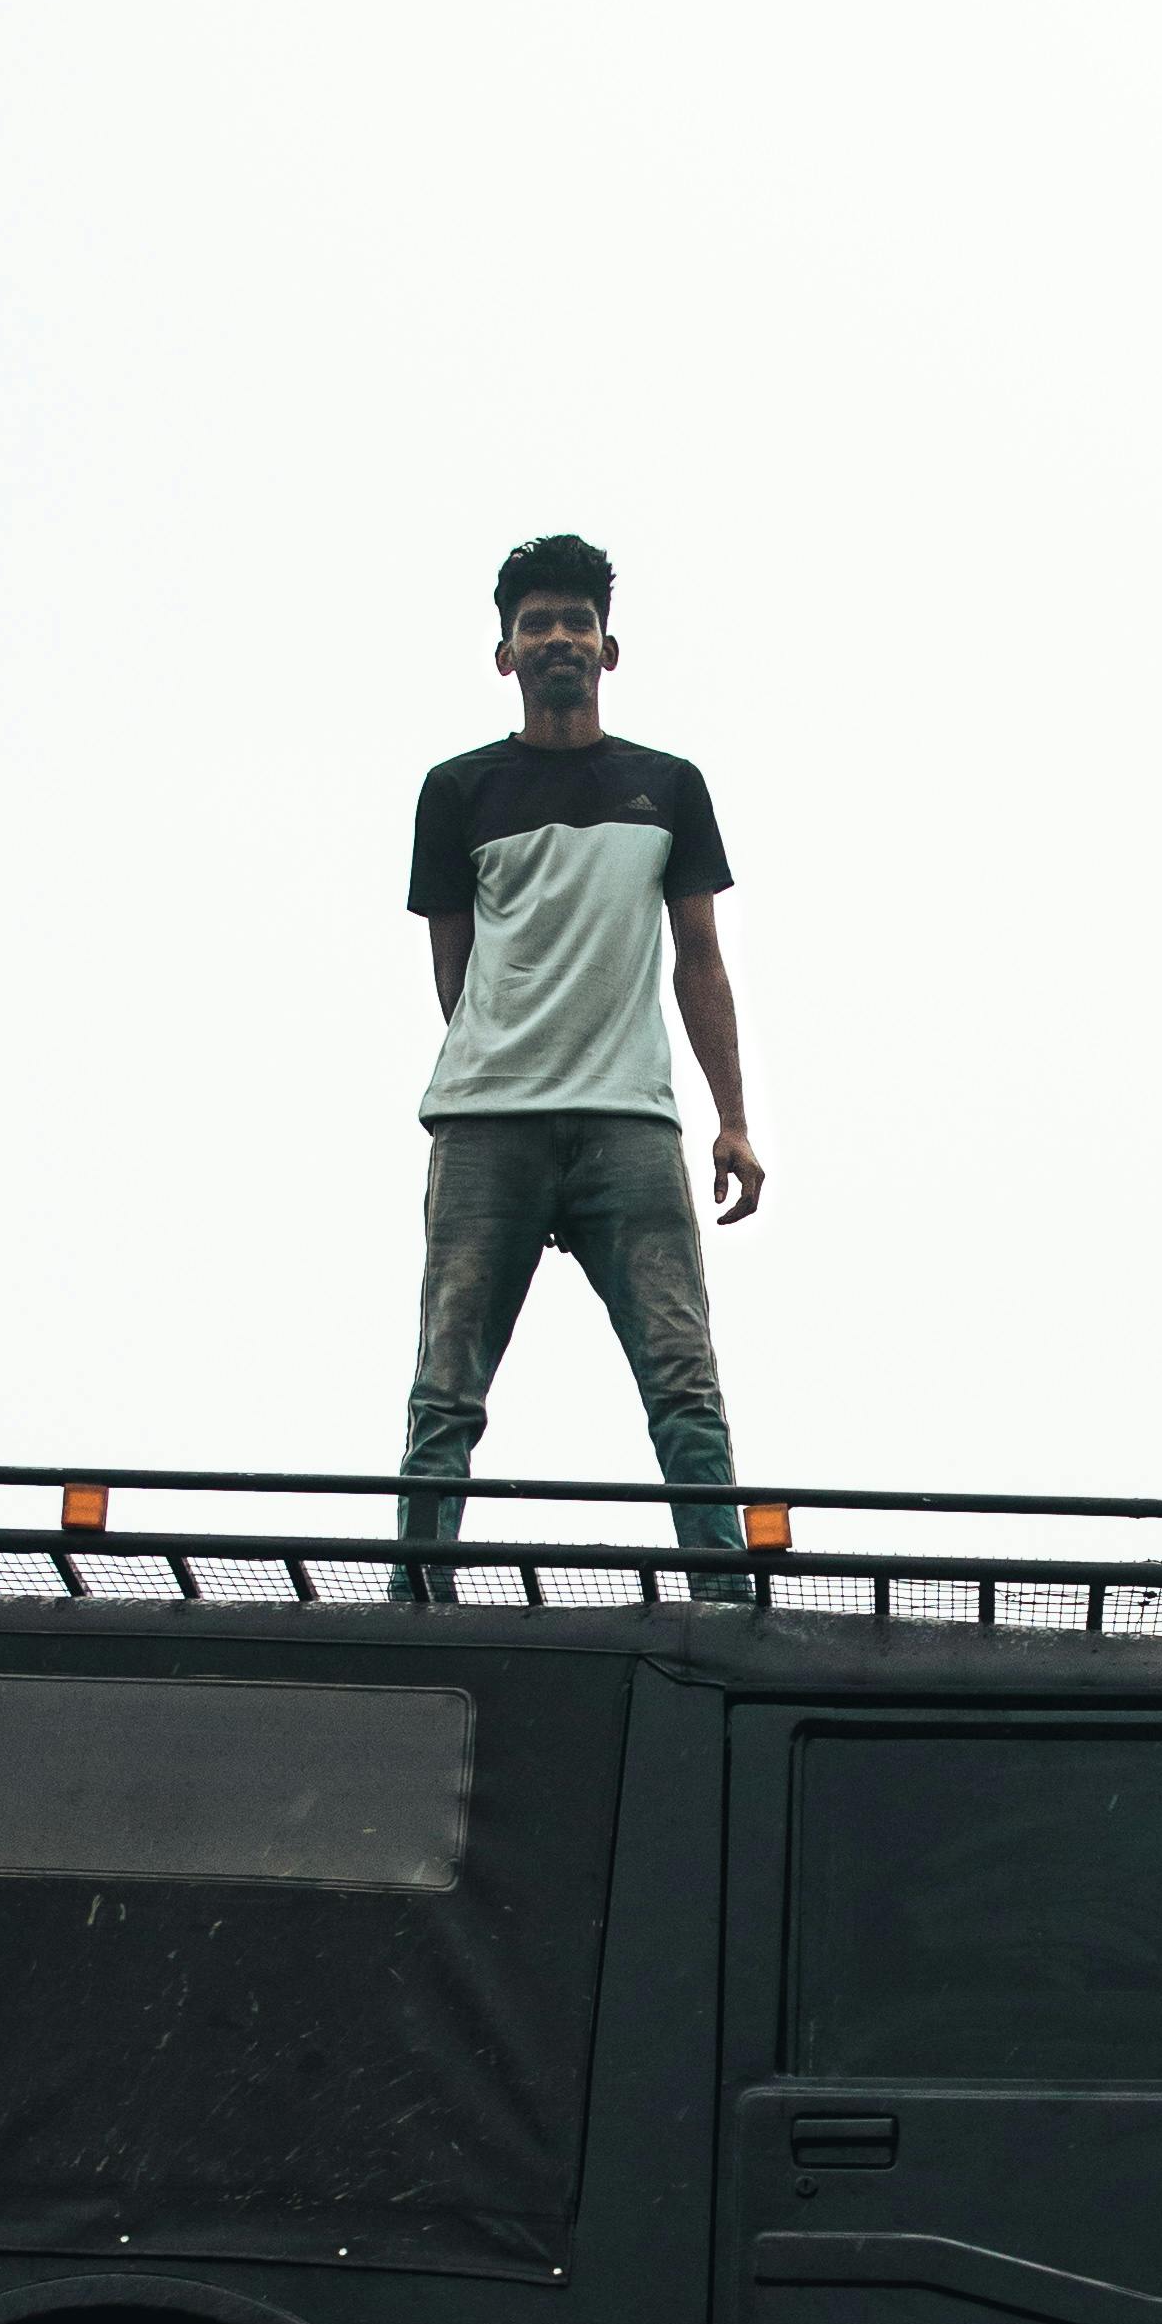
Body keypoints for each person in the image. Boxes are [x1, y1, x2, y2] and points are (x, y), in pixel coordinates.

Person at [397, 532, 763, 1572]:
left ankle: (722, 1595)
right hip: (487, 1122)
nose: (558, 638)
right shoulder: (457, 792)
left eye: (575, 622)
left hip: (629, 1123)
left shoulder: (669, 786)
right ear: (505, 655)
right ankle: (417, 1595)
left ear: (609, 649)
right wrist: (504, 1060)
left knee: (683, 1378)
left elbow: (701, 960)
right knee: (446, 1386)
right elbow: (453, 973)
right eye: (536, 625)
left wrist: (731, 1117)